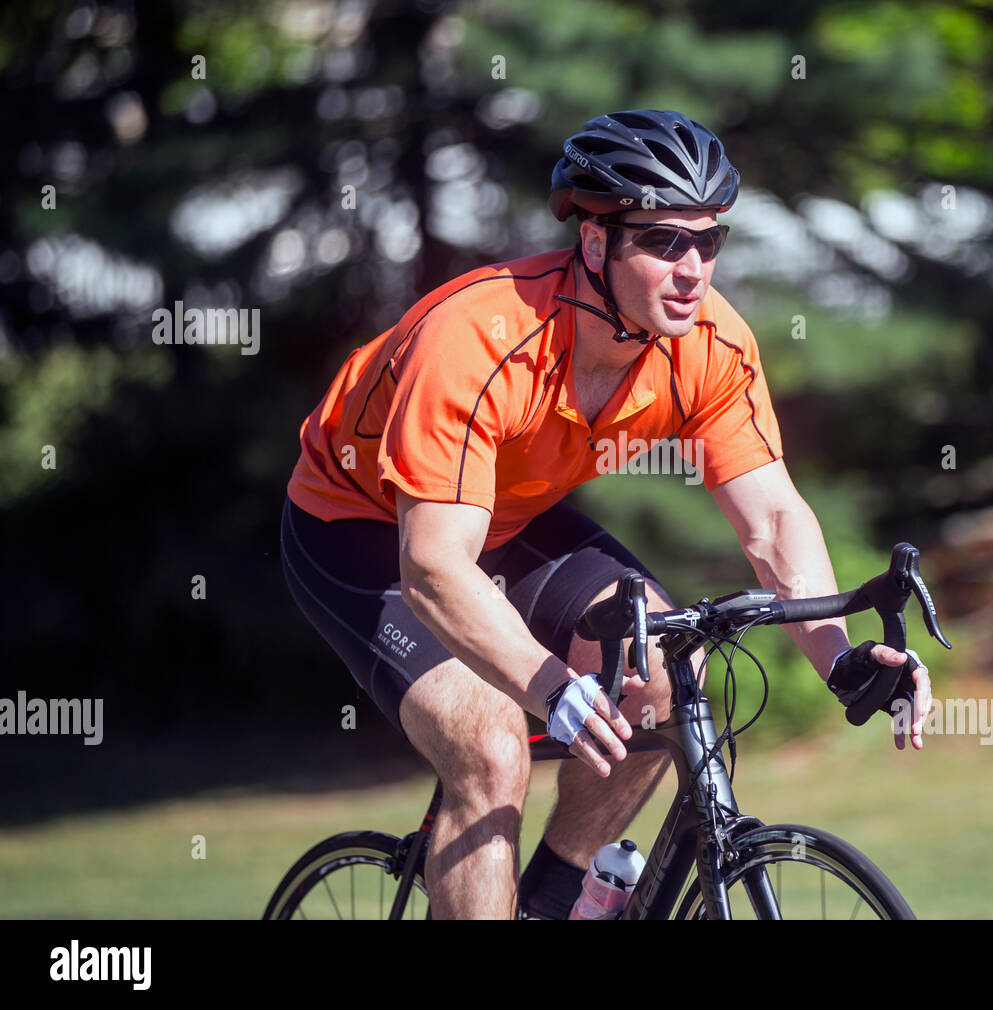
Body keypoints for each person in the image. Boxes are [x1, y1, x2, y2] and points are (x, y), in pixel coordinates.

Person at [279, 109, 932, 920]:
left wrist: (839, 660)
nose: (693, 267)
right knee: (490, 745)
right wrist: (552, 688)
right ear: (594, 242)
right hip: (363, 532)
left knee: (661, 676)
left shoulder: (711, 345)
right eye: (664, 241)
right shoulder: (479, 341)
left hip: (512, 520)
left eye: (709, 240)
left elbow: (770, 520)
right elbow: (435, 567)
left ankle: (547, 902)